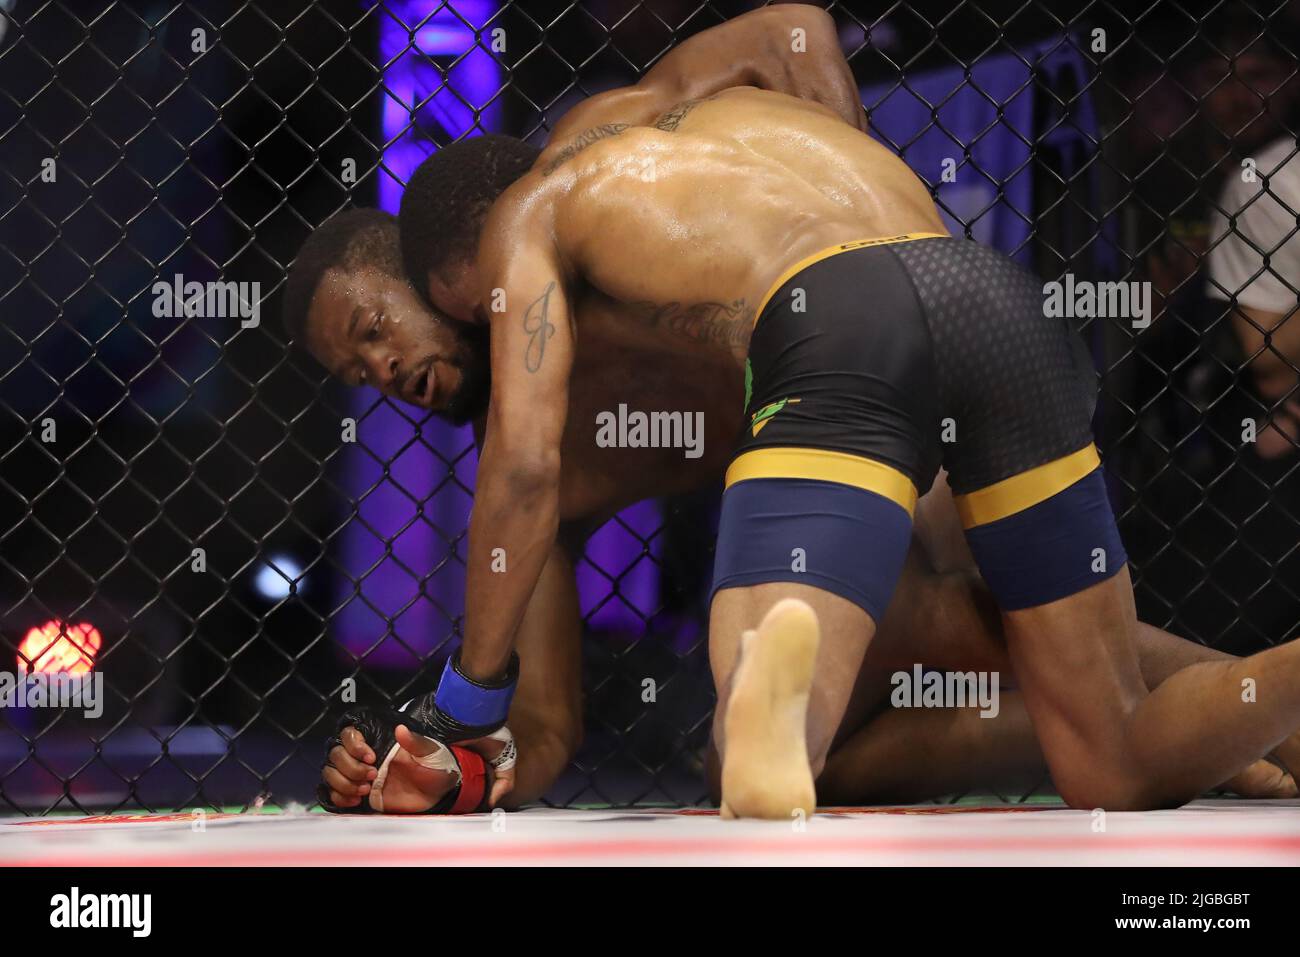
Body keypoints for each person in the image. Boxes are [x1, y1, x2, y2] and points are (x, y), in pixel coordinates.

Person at [287, 5, 1300, 816]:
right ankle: (1246, 709)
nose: (377, 371)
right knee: (1106, 752)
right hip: (984, 306)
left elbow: (794, 25)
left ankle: (769, 732)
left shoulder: (548, 197)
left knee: (776, 724)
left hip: (838, 347)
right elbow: (546, 728)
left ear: (440, 275)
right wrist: (462, 769)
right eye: (356, 372)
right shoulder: (628, 228)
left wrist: (460, 700)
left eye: (373, 330)